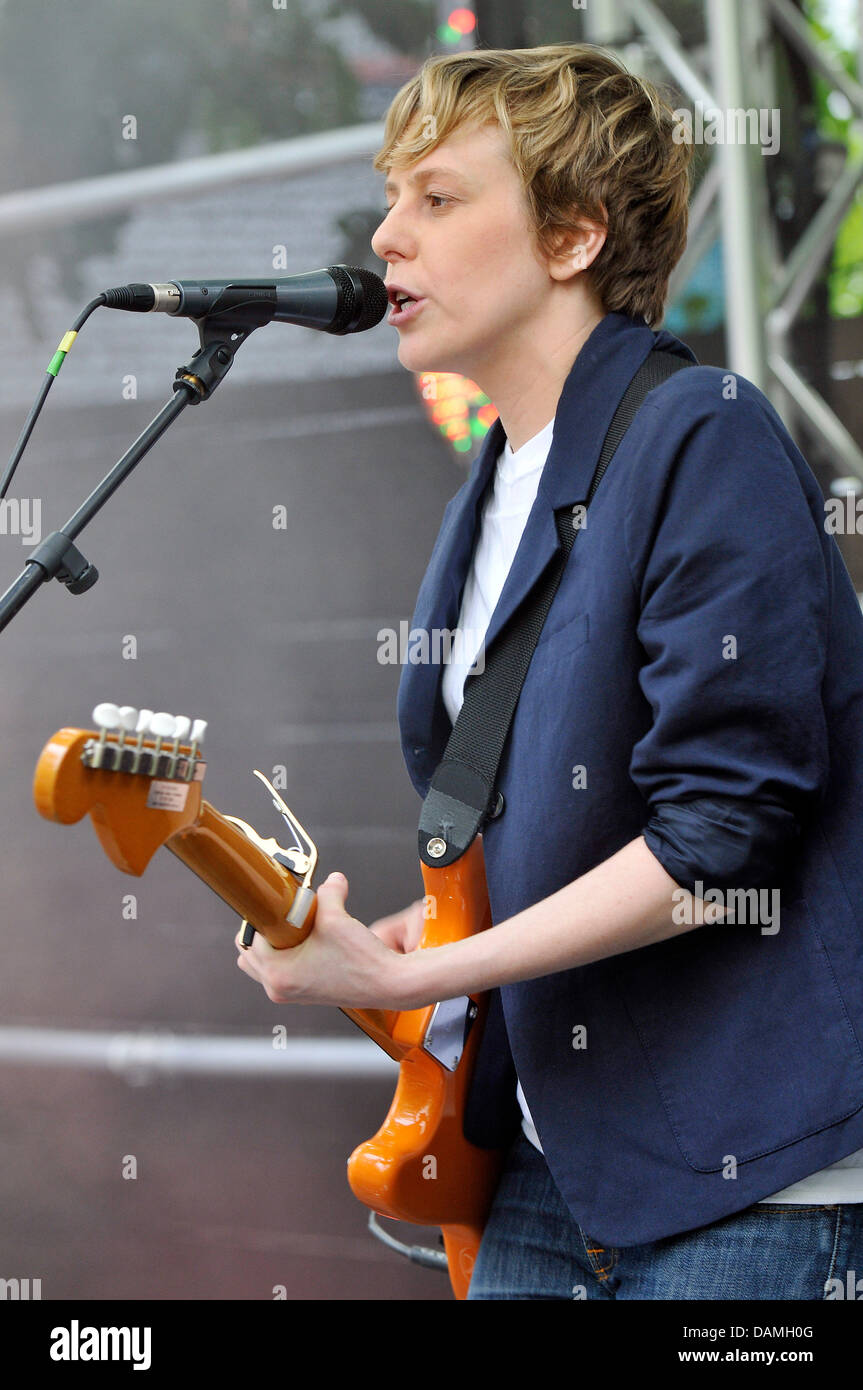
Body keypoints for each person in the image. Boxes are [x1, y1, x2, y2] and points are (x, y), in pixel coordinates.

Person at [236, 44, 863, 1300]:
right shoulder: (496, 488)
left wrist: (412, 975)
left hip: (750, 1184)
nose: (385, 234)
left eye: (437, 197)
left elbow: (717, 835)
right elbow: (561, 828)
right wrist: (431, 922)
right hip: (550, 1164)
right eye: (389, 195)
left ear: (572, 238)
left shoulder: (701, 434)